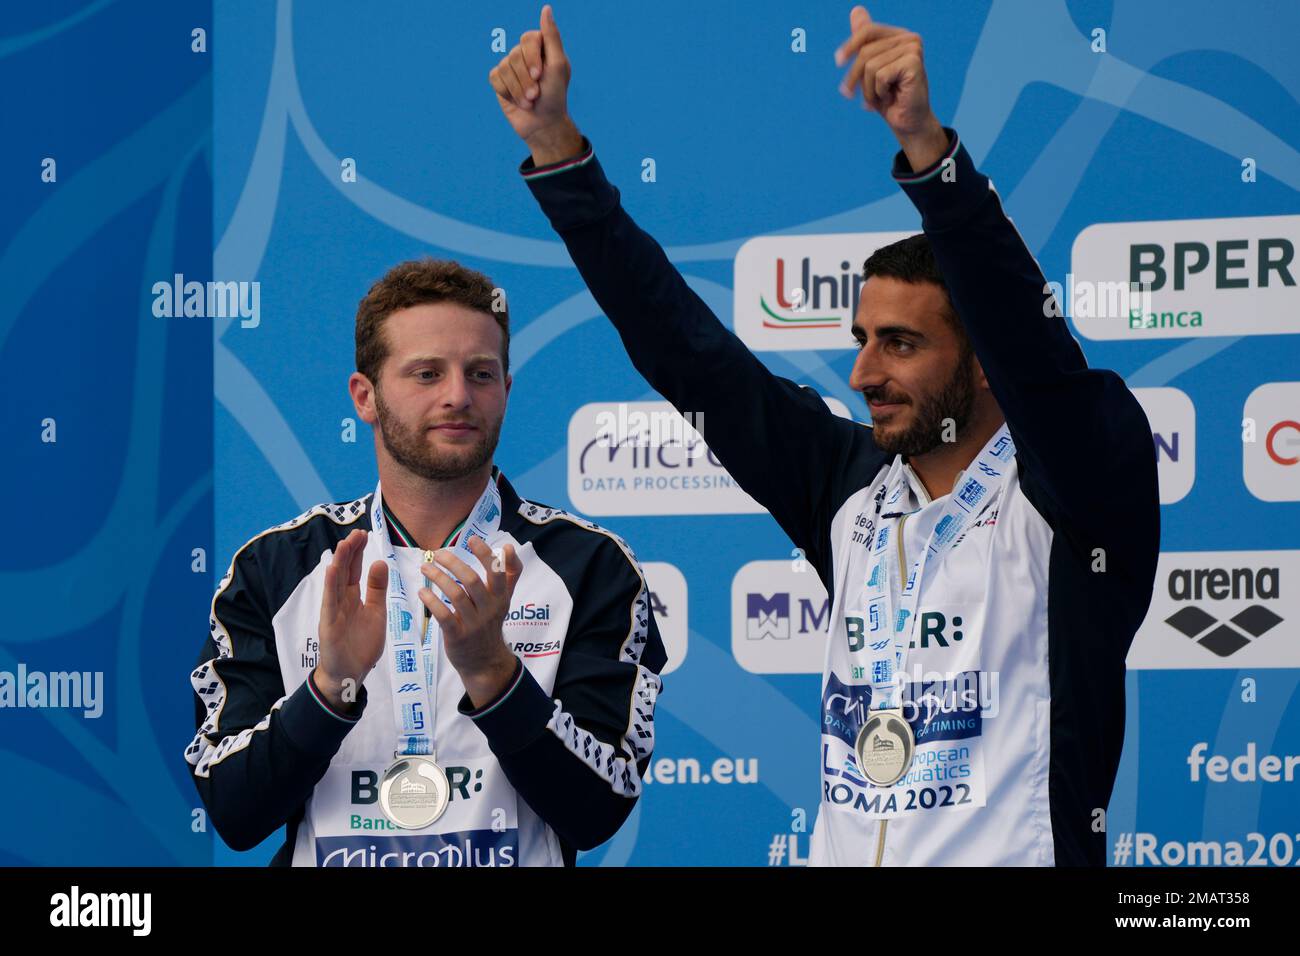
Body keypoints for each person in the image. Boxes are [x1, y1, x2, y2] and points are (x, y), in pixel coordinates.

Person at [490, 5, 1159, 865]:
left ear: (986, 360)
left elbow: (1035, 350)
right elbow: (687, 353)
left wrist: (927, 149)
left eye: (901, 344)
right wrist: (558, 152)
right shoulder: (847, 486)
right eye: (861, 340)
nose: (863, 373)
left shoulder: (1076, 493)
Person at [184, 257, 666, 867]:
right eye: (427, 373)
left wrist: (494, 674)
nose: (458, 395)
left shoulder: (590, 565)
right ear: (365, 397)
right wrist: (329, 688)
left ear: (506, 391)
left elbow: (598, 809)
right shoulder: (276, 567)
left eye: (481, 374)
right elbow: (234, 810)